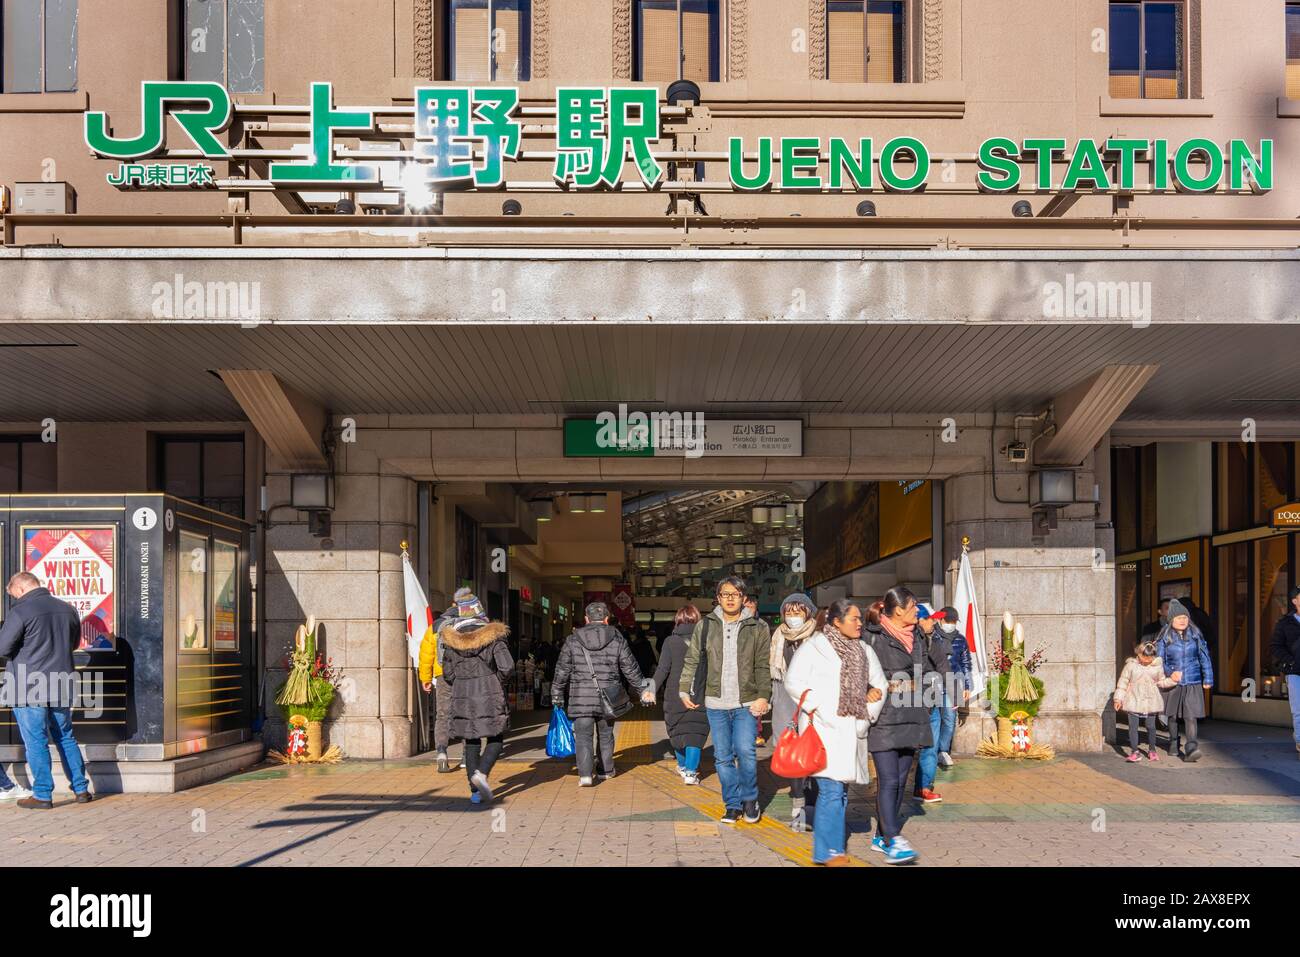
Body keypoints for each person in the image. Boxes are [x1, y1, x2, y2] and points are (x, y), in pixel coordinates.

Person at [783, 599, 886, 866]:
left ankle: (834, 848)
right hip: (823, 731)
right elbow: (793, 682)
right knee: (830, 791)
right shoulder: (812, 648)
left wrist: (868, 711)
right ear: (836, 622)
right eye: (854, 619)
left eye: (860, 619)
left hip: (852, 731)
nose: (860, 623)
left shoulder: (864, 650)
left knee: (840, 793)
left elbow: (880, 685)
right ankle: (827, 853)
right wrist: (819, 707)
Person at [679, 576, 771, 825]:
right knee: (723, 756)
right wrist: (684, 689)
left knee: (746, 751)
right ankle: (732, 804)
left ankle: (750, 799)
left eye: (735, 594)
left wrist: (764, 696)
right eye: (725, 594)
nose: (730, 598)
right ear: (718, 598)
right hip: (716, 703)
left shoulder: (758, 627)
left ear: (743, 598)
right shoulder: (706, 625)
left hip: (746, 703)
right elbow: (692, 660)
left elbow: (763, 665)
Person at [0, 571, 93, 809]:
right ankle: (81, 789)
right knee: (66, 737)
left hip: (28, 686)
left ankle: (42, 794)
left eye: (13, 595)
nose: (15, 599)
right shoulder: (67, 609)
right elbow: (73, 644)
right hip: (61, 682)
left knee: (36, 741)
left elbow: (2, 648)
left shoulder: (20, 611)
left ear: (20, 589)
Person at [863, 586, 937, 864]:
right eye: (913, 606)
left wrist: (927, 684)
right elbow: (866, 674)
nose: (917, 611)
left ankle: (882, 836)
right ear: (897, 611)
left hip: (913, 715)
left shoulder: (918, 635)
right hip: (885, 717)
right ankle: (894, 839)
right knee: (888, 779)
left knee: (901, 782)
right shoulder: (873, 636)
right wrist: (897, 683)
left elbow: (928, 668)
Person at [552, 601, 646, 786]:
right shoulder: (617, 638)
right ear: (606, 619)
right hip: (608, 697)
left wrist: (556, 693)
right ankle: (606, 770)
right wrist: (642, 690)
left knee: (583, 736)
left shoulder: (572, 640)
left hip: (581, 698)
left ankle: (585, 775)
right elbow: (630, 668)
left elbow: (562, 670)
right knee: (605, 734)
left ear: (586, 619)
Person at [437, 589, 513, 803]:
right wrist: (496, 681)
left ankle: (475, 792)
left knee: (471, 740)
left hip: (462, 696)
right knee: (496, 736)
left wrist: (462, 683)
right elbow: (507, 667)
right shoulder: (494, 637)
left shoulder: (452, 641)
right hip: (491, 694)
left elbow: (448, 673)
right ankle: (481, 773)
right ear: (480, 612)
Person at [766, 592, 820, 830]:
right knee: (793, 755)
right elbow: (774, 676)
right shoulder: (778, 637)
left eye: (798, 612)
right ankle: (799, 803)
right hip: (786, 703)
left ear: (808, 612)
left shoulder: (819, 639)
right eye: (789, 612)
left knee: (813, 754)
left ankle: (812, 805)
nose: (793, 617)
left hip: (812, 703)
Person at [643, 605, 711, 785]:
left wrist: (651, 689)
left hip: (675, 695)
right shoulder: (706, 640)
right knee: (695, 733)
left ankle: (682, 766)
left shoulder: (670, 642)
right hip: (700, 692)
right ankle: (690, 772)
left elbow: (662, 669)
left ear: (678, 621)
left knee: (677, 733)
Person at [1158, 598, 1214, 762]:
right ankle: (1174, 742)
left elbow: (1204, 657)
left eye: (1185, 617)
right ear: (1171, 620)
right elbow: (1159, 660)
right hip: (1173, 682)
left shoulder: (1196, 635)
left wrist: (1208, 678)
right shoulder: (1165, 637)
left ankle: (1191, 747)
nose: (1183, 621)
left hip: (1192, 681)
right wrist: (1170, 673)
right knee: (1173, 716)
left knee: (1191, 716)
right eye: (1179, 618)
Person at [911, 604, 951, 804]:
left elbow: (943, 663)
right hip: (916, 701)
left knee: (930, 746)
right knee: (914, 747)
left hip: (932, 700)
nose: (933, 621)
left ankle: (923, 787)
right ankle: (914, 786)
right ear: (918, 619)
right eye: (929, 618)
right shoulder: (911, 641)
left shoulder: (932, 639)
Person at [419, 595, 463, 774]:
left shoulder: (436, 626)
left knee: (442, 715)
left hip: (442, 674)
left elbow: (426, 654)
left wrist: (426, 678)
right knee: (465, 713)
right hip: (464, 676)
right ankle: (467, 756)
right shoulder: (467, 625)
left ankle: (442, 753)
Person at [1114, 640, 1174, 761]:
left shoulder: (1157, 666)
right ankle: (1134, 751)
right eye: (1144, 657)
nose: (1147, 660)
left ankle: (1152, 749)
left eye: (1150, 658)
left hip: (1150, 701)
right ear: (1138, 653)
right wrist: (1118, 699)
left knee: (1151, 726)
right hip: (1134, 699)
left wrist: (1173, 680)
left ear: (1154, 656)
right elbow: (1123, 682)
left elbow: (1161, 681)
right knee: (1133, 727)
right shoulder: (1131, 665)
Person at [1269, 586, 1300, 757]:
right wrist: (1291, 661)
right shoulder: (1284, 623)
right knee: (1298, 709)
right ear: (1295, 601)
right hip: (1295, 671)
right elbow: (1275, 646)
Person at [938, 606, 970, 769]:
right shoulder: (933, 637)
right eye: (948, 621)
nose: (950, 624)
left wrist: (967, 686)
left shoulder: (961, 639)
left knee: (949, 720)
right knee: (934, 721)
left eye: (953, 621)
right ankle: (931, 751)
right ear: (941, 620)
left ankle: (943, 751)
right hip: (933, 685)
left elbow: (966, 664)